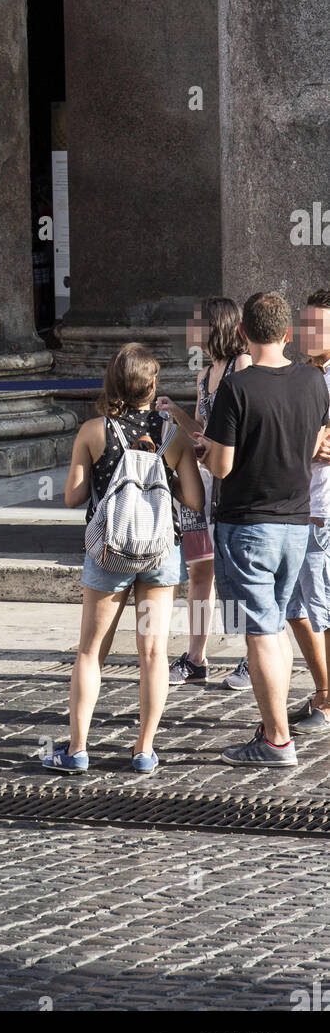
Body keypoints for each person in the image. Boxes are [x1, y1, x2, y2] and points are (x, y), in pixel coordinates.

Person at [42, 343, 203, 775]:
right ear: (153, 385)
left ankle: (77, 749)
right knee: (152, 653)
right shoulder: (174, 435)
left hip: (108, 555)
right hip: (158, 554)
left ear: (112, 382)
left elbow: (73, 496)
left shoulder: (94, 431)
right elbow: (194, 499)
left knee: (90, 652)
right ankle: (144, 750)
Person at [202, 291, 330, 767]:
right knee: (272, 626)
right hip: (297, 524)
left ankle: (277, 740)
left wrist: (203, 451)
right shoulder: (314, 381)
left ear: (242, 334)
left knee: (259, 632)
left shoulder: (237, 387)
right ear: (288, 333)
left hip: (246, 525)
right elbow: (316, 441)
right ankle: (273, 724)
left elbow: (221, 465)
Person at [156, 298, 251, 689]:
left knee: (240, 575)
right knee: (199, 571)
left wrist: (212, 449)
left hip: (232, 483)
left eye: (197, 324)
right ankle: (196, 658)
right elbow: (204, 428)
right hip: (204, 484)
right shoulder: (206, 372)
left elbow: (245, 430)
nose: (190, 331)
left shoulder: (240, 366)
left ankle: (252, 654)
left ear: (217, 326)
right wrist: (176, 413)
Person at [285, 290, 330, 735]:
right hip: (299, 506)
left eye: (319, 325)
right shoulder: (305, 374)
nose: (308, 332)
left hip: (322, 510)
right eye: (306, 323)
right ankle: (322, 690)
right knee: (296, 607)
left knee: (323, 608)